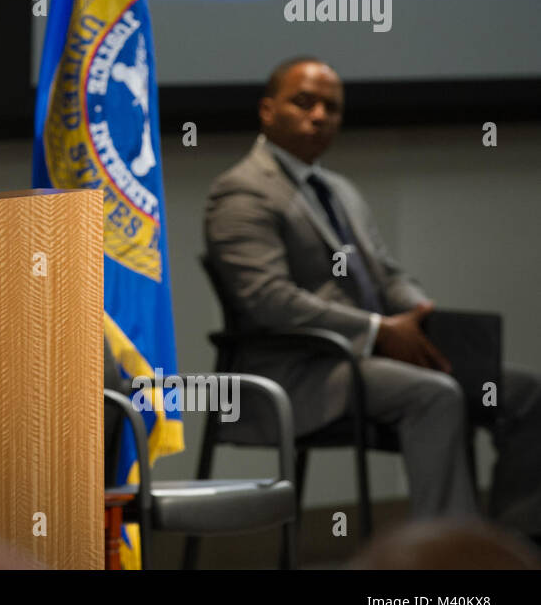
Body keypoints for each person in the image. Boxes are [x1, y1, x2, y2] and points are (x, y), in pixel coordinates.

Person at [204, 56, 541, 535]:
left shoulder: (339, 189)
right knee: (437, 394)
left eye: (332, 107)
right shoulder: (240, 192)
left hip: (366, 357)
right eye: (304, 102)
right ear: (267, 110)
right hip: (299, 371)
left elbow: (386, 275)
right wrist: (379, 331)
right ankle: (445, 564)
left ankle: (512, 547)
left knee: (525, 393)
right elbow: (268, 300)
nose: (320, 115)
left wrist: (419, 313)